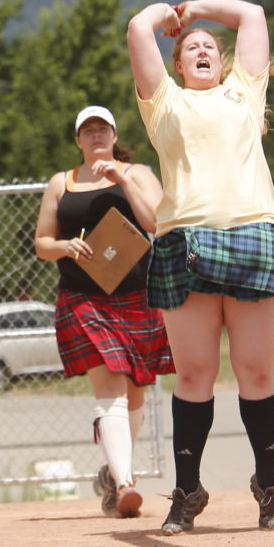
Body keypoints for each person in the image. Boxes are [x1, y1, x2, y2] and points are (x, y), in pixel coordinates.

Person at [127, 0, 274, 534]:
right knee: (196, 373)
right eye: (190, 49)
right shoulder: (164, 105)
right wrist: (168, 17)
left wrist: (199, 8)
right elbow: (138, 27)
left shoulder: (243, 93)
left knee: (256, 371)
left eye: (209, 47)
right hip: (185, 241)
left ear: (222, 63)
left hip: (254, 234)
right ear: (176, 66)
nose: (201, 49)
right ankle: (187, 492)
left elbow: (253, 14)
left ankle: (268, 488)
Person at [34, 104, 173, 519]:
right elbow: (42, 242)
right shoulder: (62, 183)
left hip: (137, 296)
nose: (96, 136)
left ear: (114, 135)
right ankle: (128, 483)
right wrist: (64, 247)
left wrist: (123, 180)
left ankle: (114, 476)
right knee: (109, 384)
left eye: (103, 130)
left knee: (135, 391)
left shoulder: (139, 173)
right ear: (78, 140)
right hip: (83, 297)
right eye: (87, 131)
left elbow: (159, 221)